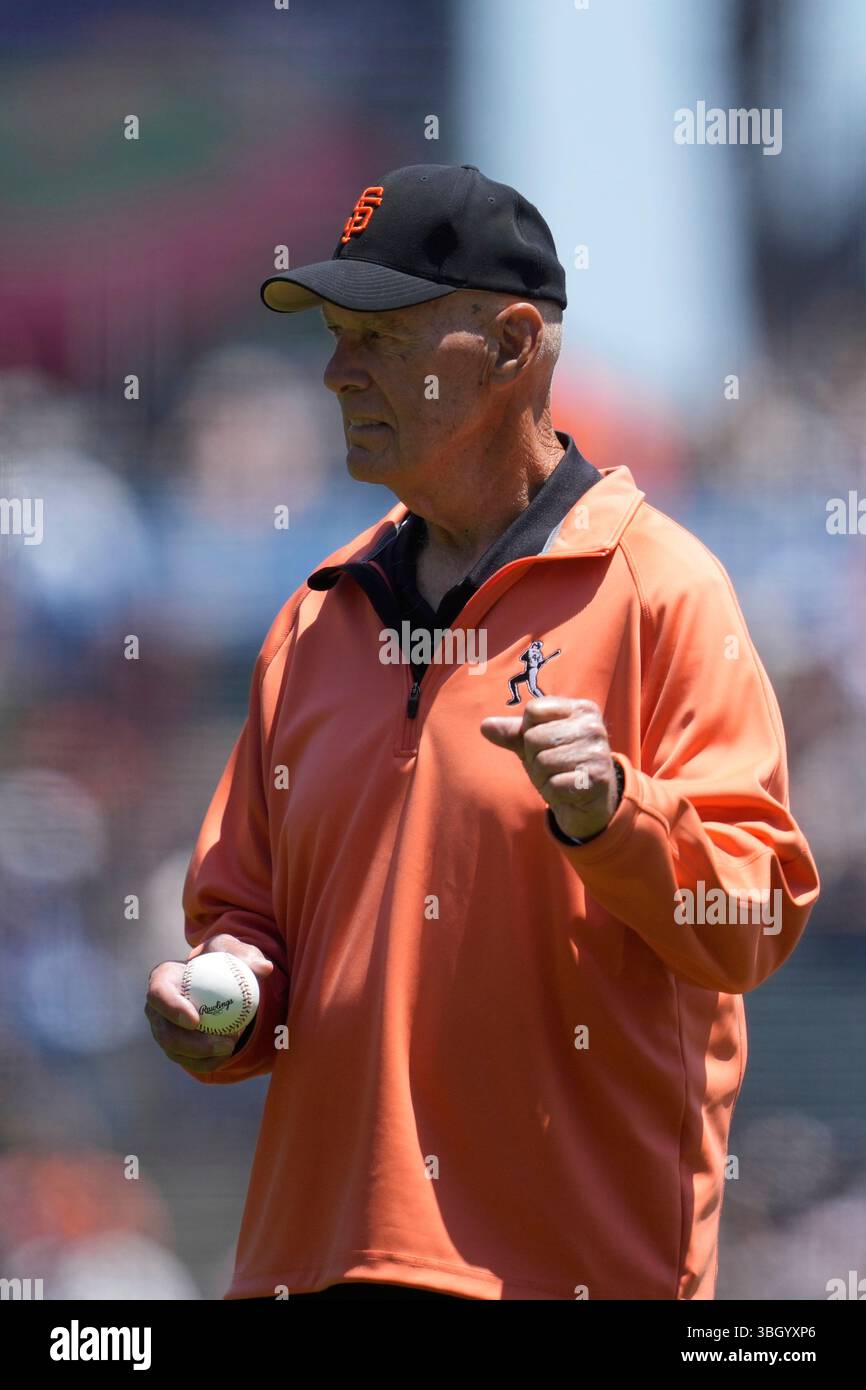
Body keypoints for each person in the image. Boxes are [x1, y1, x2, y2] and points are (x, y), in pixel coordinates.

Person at [145, 164, 820, 1301]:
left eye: (377, 335)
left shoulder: (661, 588)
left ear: (512, 348)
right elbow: (246, 915)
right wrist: (226, 988)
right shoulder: (316, 610)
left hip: (566, 1273)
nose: (333, 370)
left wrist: (613, 815)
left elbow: (750, 918)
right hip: (309, 1265)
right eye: (332, 335)